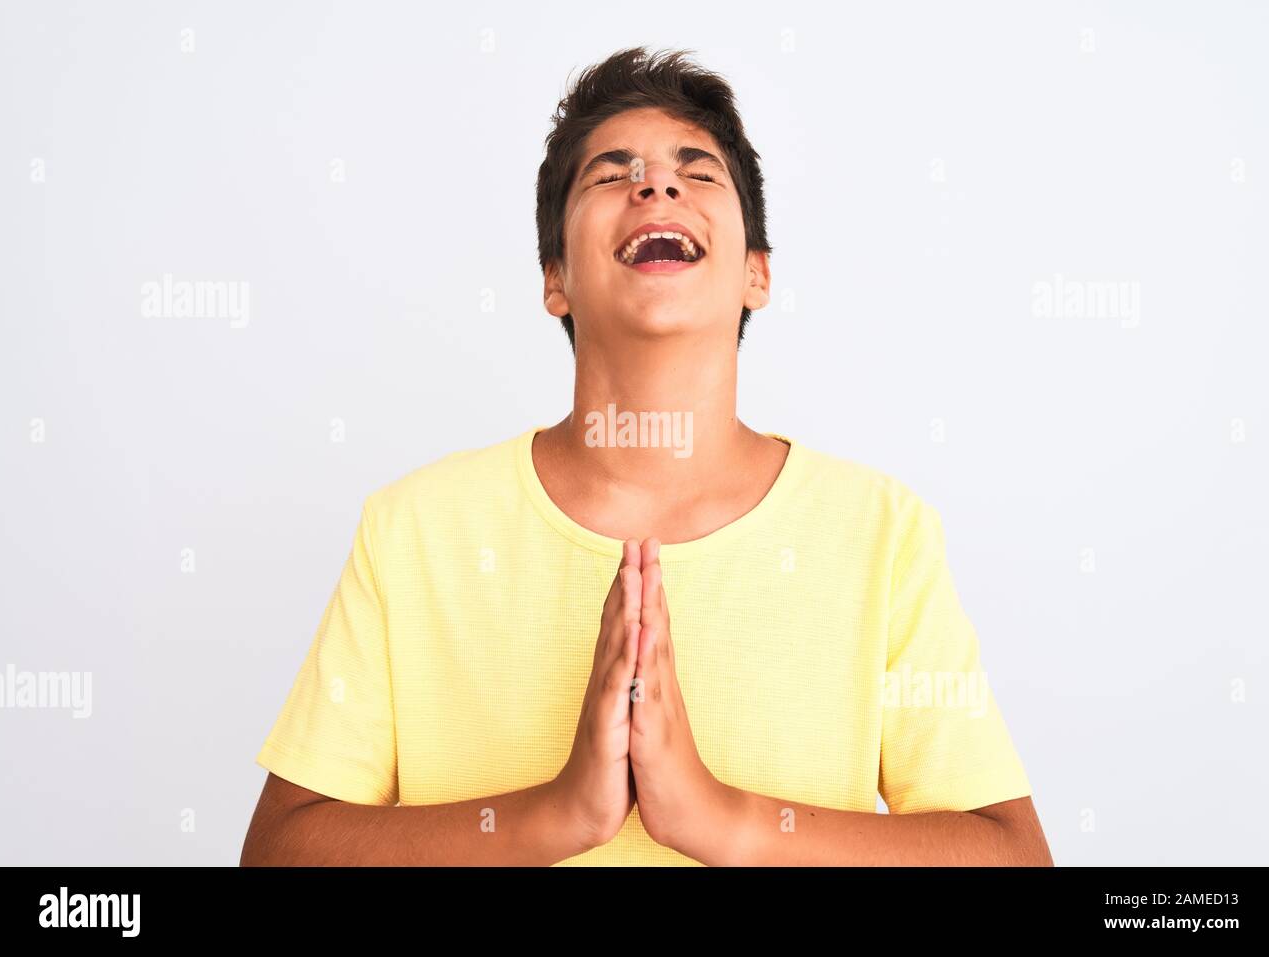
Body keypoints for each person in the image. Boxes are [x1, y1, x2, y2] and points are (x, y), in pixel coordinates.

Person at [240, 46, 1052, 866]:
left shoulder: (881, 532)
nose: (656, 185)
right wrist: (554, 815)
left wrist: (720, 818)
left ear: (757, 273)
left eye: (696, 173)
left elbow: (1013, 857)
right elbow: (277, 853)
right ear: (555, 277)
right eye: (610, 174)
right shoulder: (412, 530)